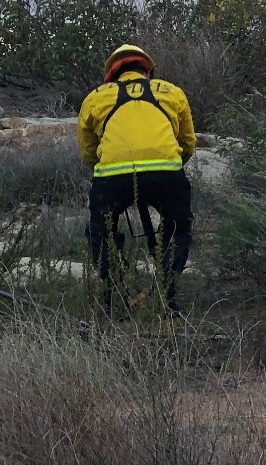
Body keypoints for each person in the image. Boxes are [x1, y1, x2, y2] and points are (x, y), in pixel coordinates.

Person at [76, 44, 197, 314]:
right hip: (166, 174)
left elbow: (87, 151)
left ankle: (116, 292)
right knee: (177, 228)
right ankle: (169, 292)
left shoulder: (95, 97)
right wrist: (172, 168)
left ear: (112, 73)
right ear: (147, 69)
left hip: (113, 178)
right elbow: (188, 142)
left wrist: (106, 171)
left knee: (101, 232)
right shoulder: (172, 92)